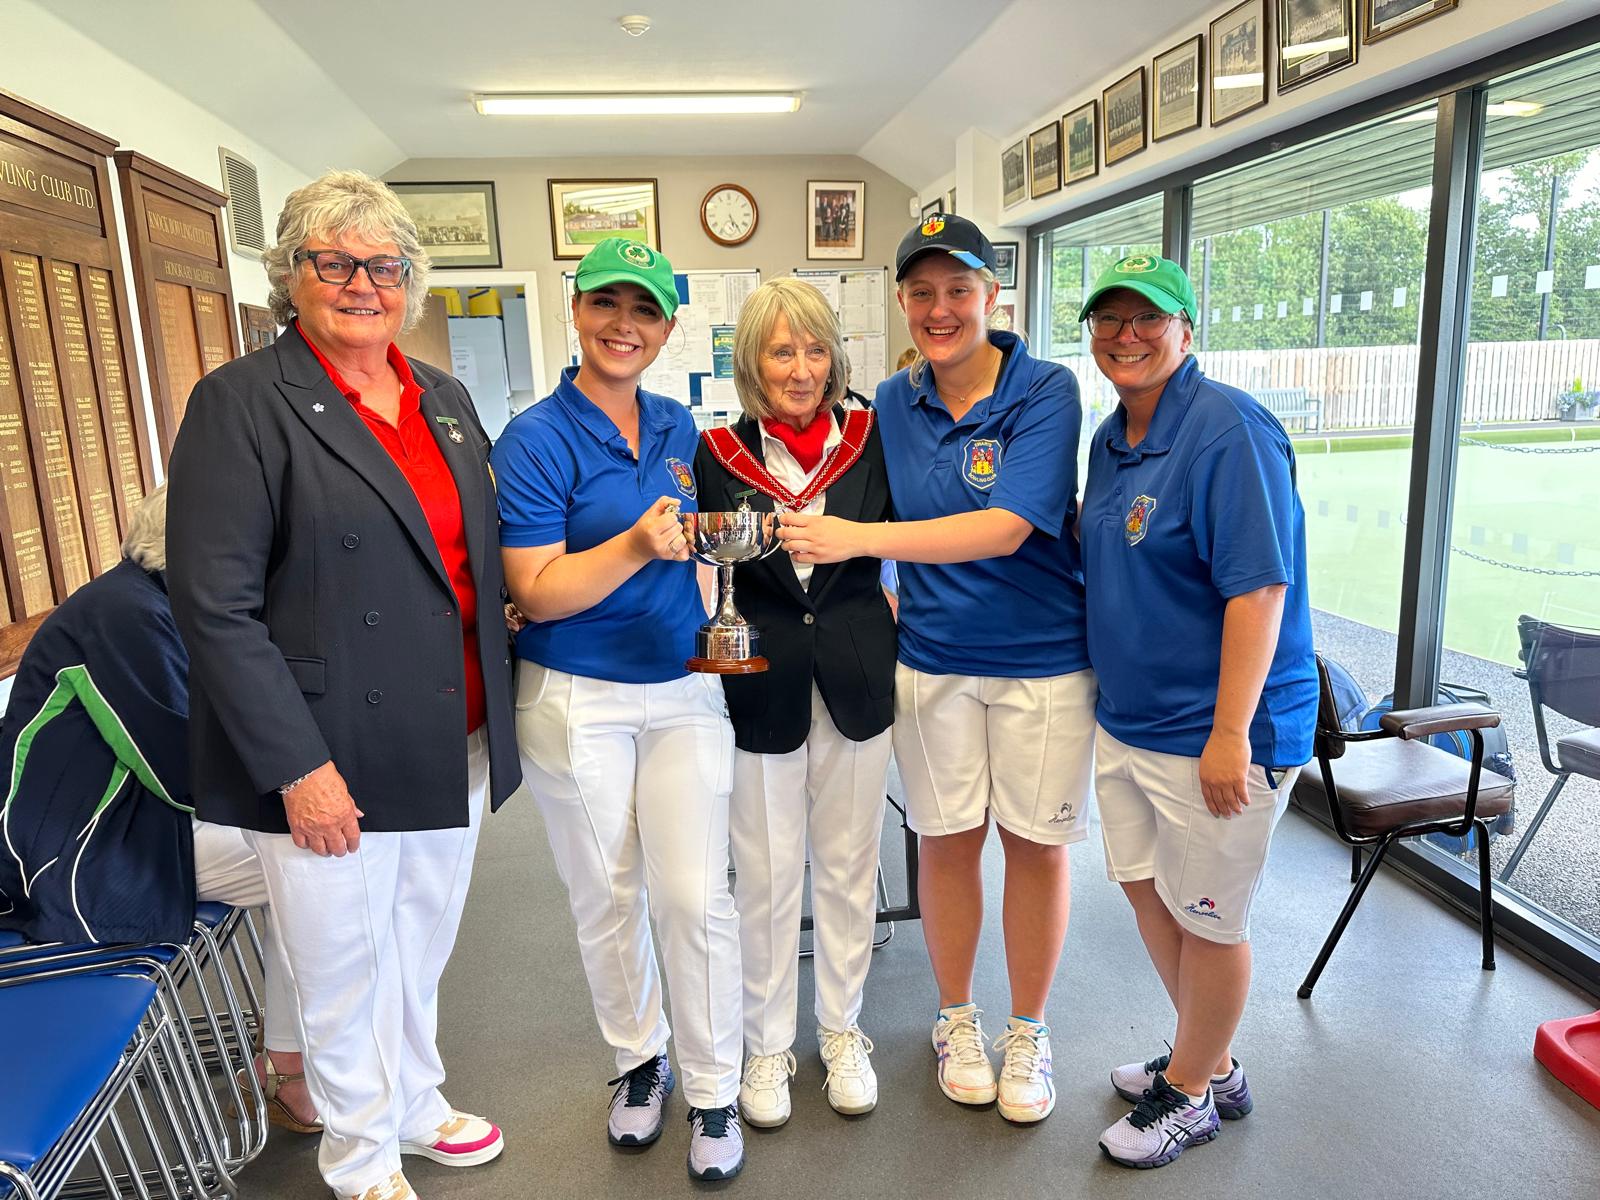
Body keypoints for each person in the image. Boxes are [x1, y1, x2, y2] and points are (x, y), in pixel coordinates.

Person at [167, 170, 520, 1200]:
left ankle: (413, 1102)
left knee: (415, 944)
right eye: (336, 263)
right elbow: (215, 608)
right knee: (339, 966)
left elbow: (471, 562)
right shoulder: (240, 405)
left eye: (384, 266)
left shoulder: (443, 399)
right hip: (328, 746)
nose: (362, 283)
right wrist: (297, 767)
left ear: (410, 282)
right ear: (292, 276)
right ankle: (359, 1157)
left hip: (448, 731)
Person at [778, 214, 1093, 1125]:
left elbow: (1007, 527)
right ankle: (957, 1018)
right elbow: (849, 490)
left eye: (958, 289)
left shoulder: (1045, 390)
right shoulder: (889, 401)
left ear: (992, 294)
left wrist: (862, 542)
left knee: (1035, 846)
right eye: (921, 292)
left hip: (1042, 663)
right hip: (933, 662)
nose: (940, 308)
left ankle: (1027, 1030)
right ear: (904, 302)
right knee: (947, 843)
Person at [490, 239, 744, 1182]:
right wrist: (638, 545)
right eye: (607, 306)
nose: (623, 326)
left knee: (694, 894)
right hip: (575, 696)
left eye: (643, 311)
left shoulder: (680, 426)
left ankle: (716, 1090)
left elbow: (713, 540)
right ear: (576, 311)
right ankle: (640, 1063)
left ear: (668, 328)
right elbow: (539, 591)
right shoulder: (534, 439)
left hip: (683, 687)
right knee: (608, 896)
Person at [1075, 255, 1316, 1169]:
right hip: (1130, 720)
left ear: (1187, 329)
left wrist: (1228, 735)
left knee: (1212, 916)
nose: (1125, 335)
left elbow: (1258, 592)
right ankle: (1206, 1059)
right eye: (1109, 320)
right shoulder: (1111, 437)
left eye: (1148, 318)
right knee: (1151, 891)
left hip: (1217, 733)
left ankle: (1192, 1095)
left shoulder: (1228, 431)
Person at [0, 485, 320, 1132]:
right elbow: (182, 771)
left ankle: (290, 1063)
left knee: (316, 851)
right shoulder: (124, 615)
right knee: (317, 854)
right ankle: (289, 1068)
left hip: (135, 821)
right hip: (77, 854)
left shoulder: (157, 603)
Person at [691, 278, 895, 1127]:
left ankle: (843, 1030)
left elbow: (906, 540)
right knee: (768, 876)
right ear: (752, 362)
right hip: (763, 682)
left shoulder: (874, 442)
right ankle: (767, 1044)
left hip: (855, 676)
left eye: (816, 350)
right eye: (782, 350)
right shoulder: (715, 455)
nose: (801, 368)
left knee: (849, 872)